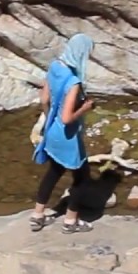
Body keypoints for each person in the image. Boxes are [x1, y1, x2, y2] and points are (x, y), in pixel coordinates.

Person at [30, 33, 97, 233]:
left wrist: (49, 118)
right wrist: (85, 108)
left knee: (54, 171)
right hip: (67, 136)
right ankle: (70, 221)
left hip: (52, 131)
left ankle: (37, 215)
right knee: (82, 177)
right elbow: (67, 118)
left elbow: (44, 100)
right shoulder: (73, 82)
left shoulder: (54, 67)